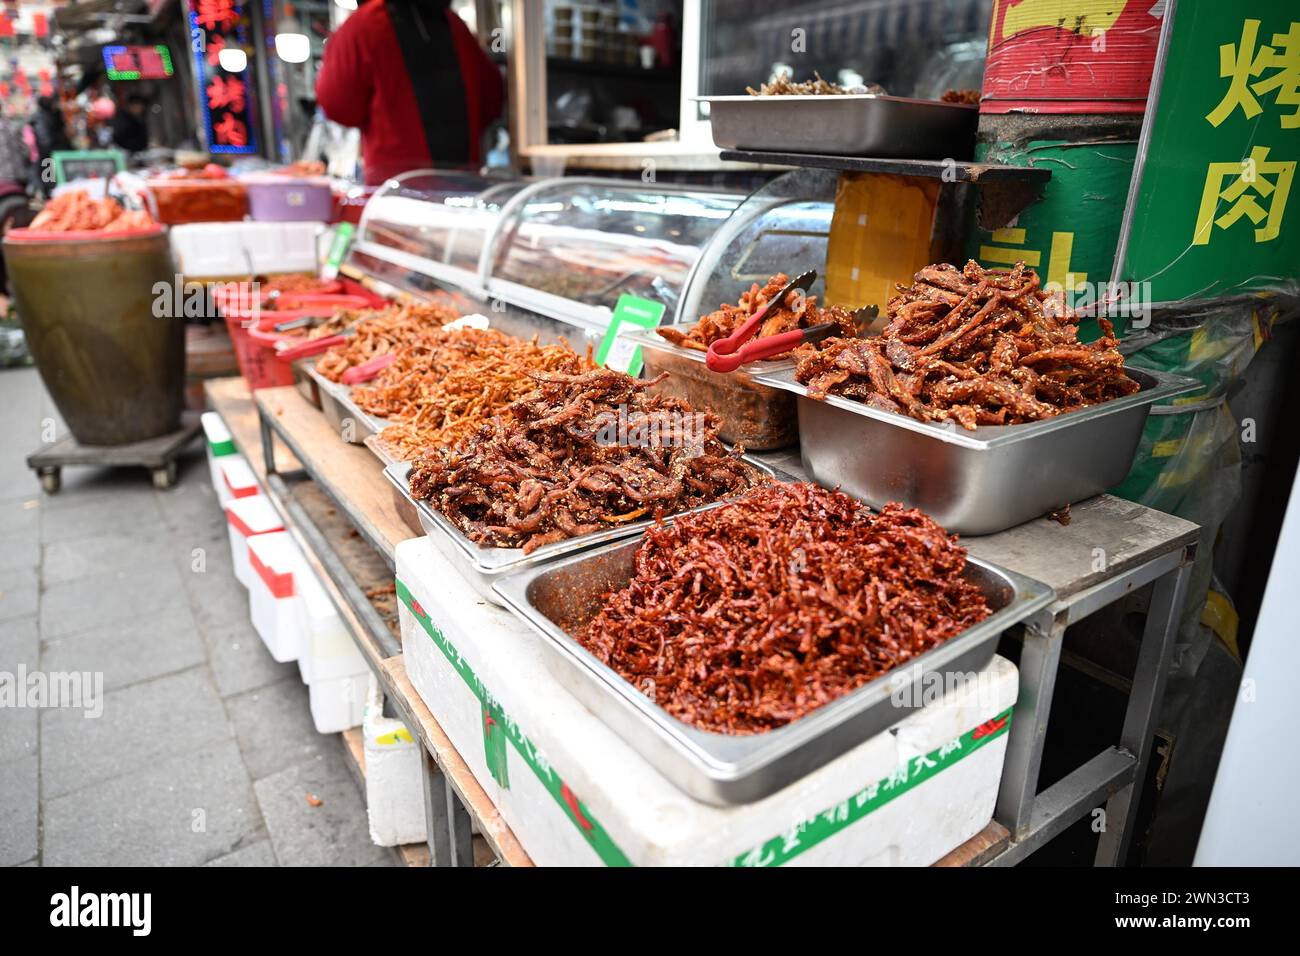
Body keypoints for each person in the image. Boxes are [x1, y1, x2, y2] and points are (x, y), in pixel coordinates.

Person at [315, 0, 504, 185]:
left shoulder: (364, 24)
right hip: (462, 183)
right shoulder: (453, 24)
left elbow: (337, 104)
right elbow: (492, 97)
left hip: (396, 187)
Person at [30, 96, 70, 196]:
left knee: (50, 176)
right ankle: (49, 194)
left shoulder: (51, 115)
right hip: (48, 152)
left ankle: (50, 192)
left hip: (50, 152)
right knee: (49, 178)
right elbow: (44, 138)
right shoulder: (41, 117)